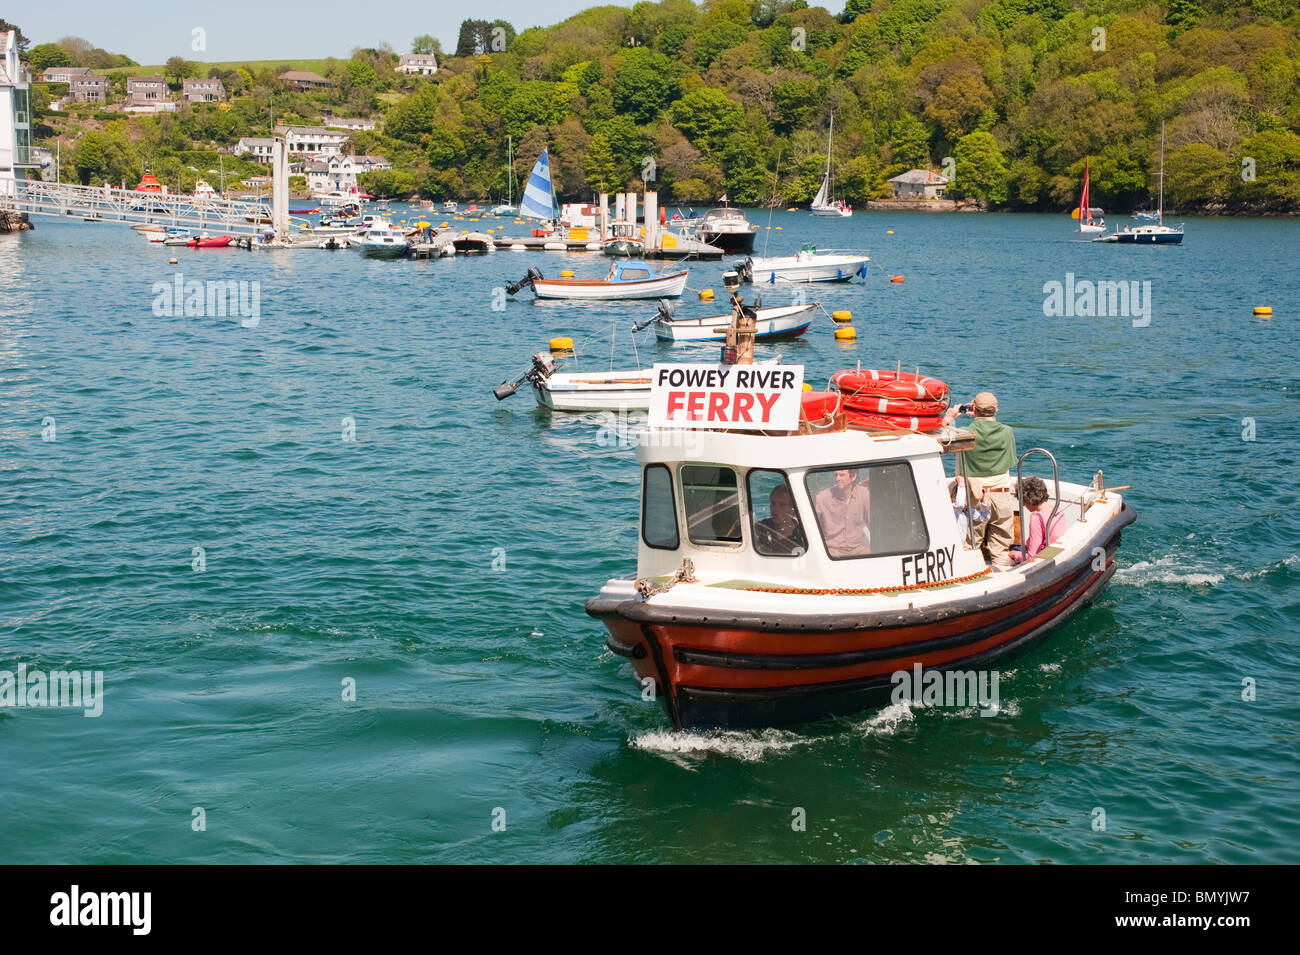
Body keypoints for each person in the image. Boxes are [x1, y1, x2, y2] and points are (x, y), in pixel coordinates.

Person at [942, 391, 1017, 570]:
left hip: (975, 493)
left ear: (973, 409)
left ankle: (970, 572)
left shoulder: (965, 433)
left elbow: (939, 437)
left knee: (972, 542)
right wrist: (979, 414)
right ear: (996, 410)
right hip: (1001, 493)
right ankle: (1003, 574)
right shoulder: (1007, 431)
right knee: (1001, 543)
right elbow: (1011, 460)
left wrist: (950, 416)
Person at [813, 468, 870, 557]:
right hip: (832, 550)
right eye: (836, 475)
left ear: (853, 477)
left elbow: (872, 523)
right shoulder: (822, 498)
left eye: (842, 475)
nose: (837, 478)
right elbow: (814, 527)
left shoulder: (864, 494)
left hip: (857, 548)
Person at [1013, 476, 1066, 563]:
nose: (1023, 505)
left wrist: (1014, 554)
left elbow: (1031, 556)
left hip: (1043, 561)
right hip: (1055, 553)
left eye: (1023, 502)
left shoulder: (1037, 519)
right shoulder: (1058, 511)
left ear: (1027, 499)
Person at [754, 485, 807, 556]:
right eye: (773, 503)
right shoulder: (761, 527)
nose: (775, 508)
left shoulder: (803, 535)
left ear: (793, 508)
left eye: (782, 504)